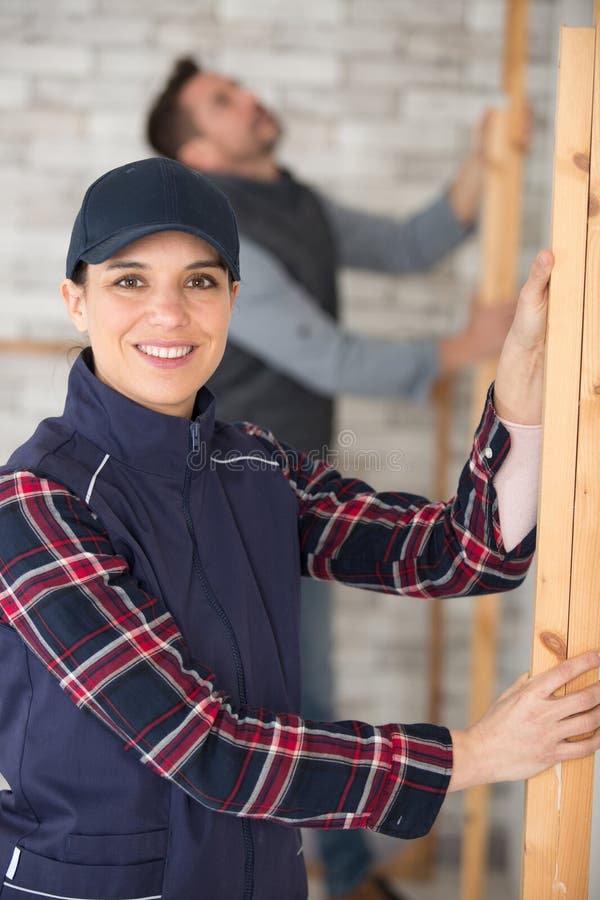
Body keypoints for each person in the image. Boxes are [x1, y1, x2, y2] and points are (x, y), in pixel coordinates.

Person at [1, 157, 599, 900]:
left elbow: (462, 555)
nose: (169, 313)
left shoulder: (255, 465)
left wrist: (519, 384)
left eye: (200, 281)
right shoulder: (38, 503)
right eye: (129, 281)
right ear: (75, 300)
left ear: (232, 301)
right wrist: (473, 756)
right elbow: (206, 750)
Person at [145, 59, 519, 899]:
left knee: (299, 687)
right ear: (198, 149)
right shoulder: (220, 230)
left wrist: (486, 154)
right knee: (282, 695)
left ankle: (338, 872)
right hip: (226, 495)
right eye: (221, 101)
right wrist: (462, 347)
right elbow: (322, 350)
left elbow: (411, 243)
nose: (248, 99)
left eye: (236, 87)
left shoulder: (298, 202)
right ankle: (340, 877)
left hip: (293, 487)